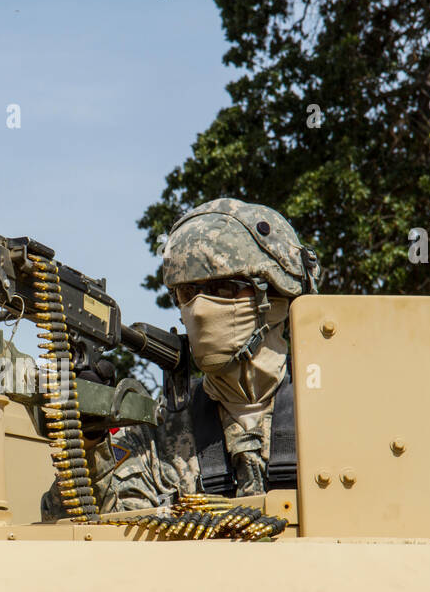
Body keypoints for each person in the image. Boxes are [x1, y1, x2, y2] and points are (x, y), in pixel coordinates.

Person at [42, 198, 321, 519]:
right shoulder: (155, 439)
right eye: (187, 293)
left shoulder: (336, 416)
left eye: (224, 288)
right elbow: (71, 529)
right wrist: (90, 442)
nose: (199, 309)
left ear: (275, 298)